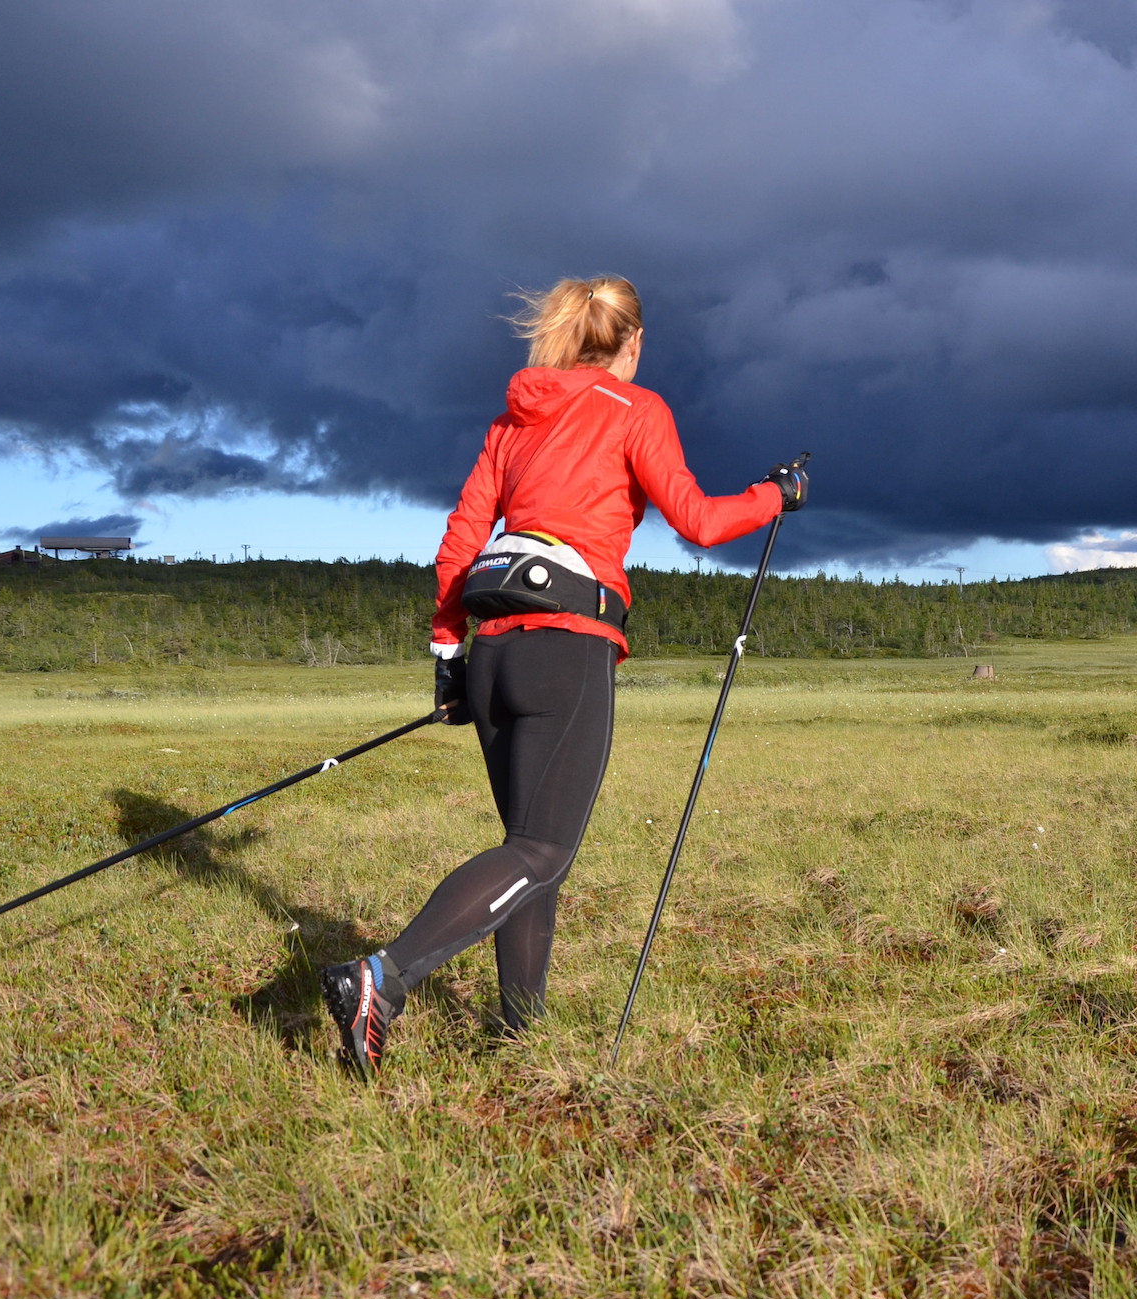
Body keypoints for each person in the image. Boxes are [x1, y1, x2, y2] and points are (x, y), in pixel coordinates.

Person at [322, 275, 808, 1075]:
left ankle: (521, 1038)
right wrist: (775, 496)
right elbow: (699, 520)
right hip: (568, 651)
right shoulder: (637, 410)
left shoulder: (515, 420)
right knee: (544, 851)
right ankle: (385, 977)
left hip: (491, 657)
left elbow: (460, 540)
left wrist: (449, 658)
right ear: (633, 344)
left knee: (525, 855)